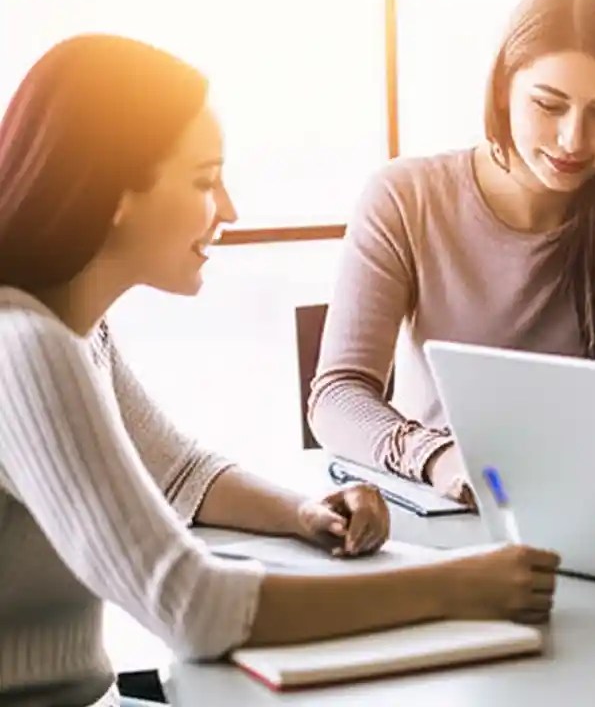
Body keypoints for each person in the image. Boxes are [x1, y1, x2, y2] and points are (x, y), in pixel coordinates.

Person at [0, 35, 559, 707]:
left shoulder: (74, 333)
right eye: (205, 180)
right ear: (116, 190)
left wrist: (302, 513)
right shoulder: (24, 346)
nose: (229, 210)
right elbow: (192, 607)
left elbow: (179, 475)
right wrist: (457, 586)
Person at [308, 0, 595, 505]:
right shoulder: (405, 197)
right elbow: (337, 397)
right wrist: (435, 456)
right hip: (451, 502)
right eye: (548, 105)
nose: (573, 140)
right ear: (502, 88)